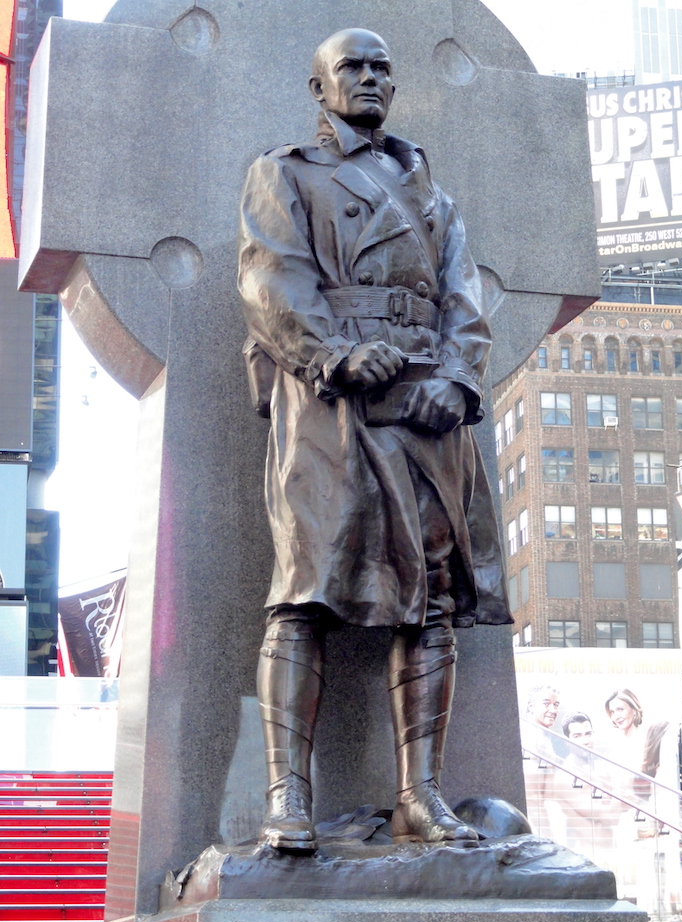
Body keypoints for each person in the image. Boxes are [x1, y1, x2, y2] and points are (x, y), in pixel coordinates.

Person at [238, 27, 512, 852]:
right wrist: (333, 351)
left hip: (425, 409)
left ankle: (419, 795)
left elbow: (465, 300)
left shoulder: (431, 191)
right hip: (334, 408)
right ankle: (288, 795)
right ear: (318, 89)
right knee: (306, 590)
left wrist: (457, 382)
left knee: (429, 600)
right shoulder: (284, 173)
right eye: (351, 68)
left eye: (381, 69)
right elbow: (269, 276)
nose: (368, 79)